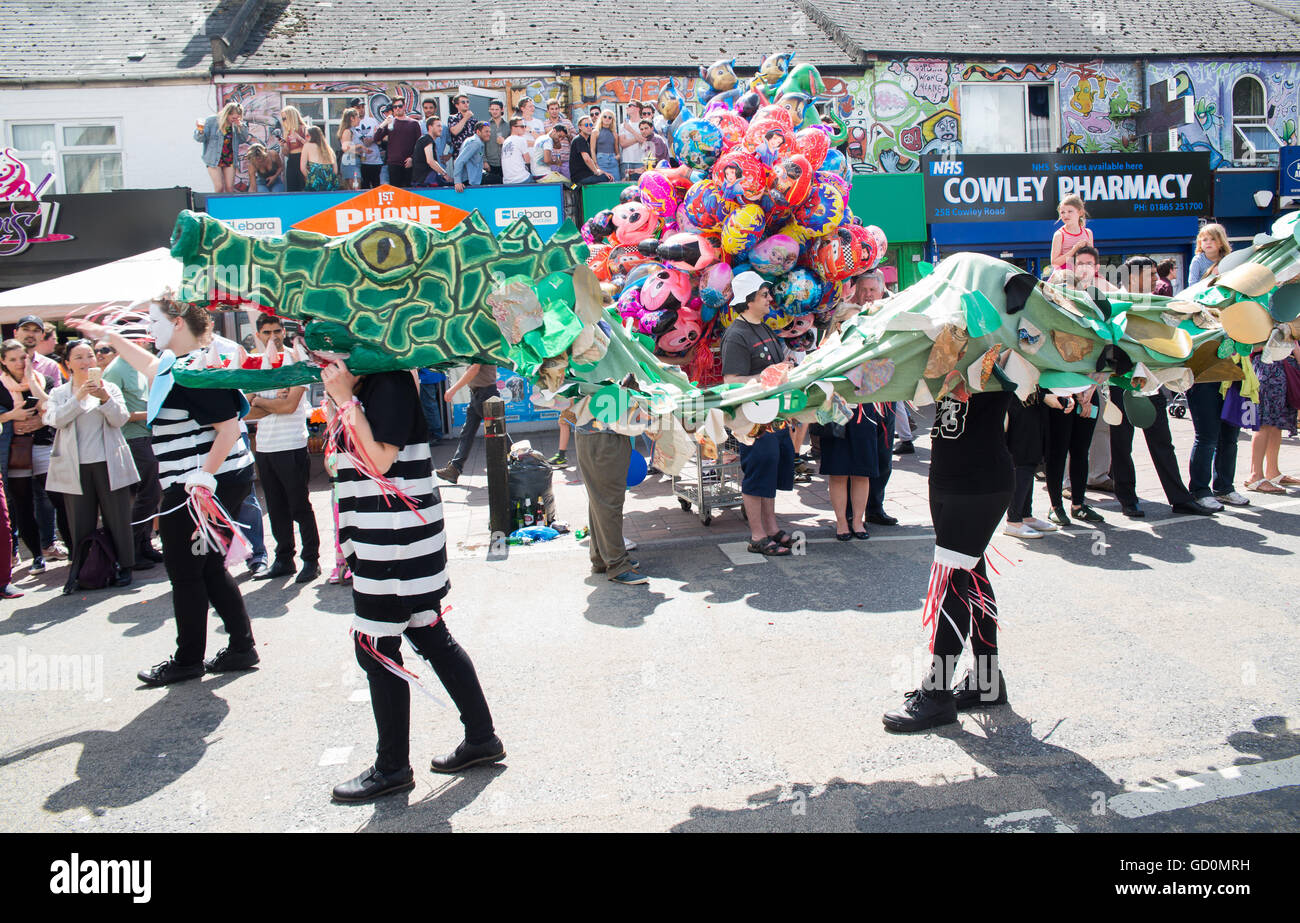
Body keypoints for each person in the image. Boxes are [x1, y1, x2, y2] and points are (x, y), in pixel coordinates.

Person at [320, 361, 504, 802]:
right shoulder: (367, 381)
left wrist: (345, 398)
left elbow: (381, 458)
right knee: (429, 632)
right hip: (388, 536)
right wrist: (340, 398)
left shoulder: (388, 380)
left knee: (377, 648)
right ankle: (481, 738)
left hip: (396, 540)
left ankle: (392, 768)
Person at [69, 296, 259, 687]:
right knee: (204, 567)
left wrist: (203, 480)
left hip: (197, 486)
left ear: (176, 323)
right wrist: (110, 336)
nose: (148, 329)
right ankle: (240, 647)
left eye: (153, 321)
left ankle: (189, 659)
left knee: (186, 572)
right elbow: (152, 367)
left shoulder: (197, 369)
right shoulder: (179, 364)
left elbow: (229, 429)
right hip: (202, 482)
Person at [883, 388, 1014, 732]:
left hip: (978, 483)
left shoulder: (996, 345)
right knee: (973, 577)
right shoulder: (946, 344)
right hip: (946, 478)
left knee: (954, 581)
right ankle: (987, 682)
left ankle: (937, 694)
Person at [43, 340, 138, 592]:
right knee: (80, 521)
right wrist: (79, 396)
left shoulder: (110, 387)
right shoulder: (59, 393)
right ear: (68, 364)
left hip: (108, 461)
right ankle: (84, 569)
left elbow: (120, 419)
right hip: (75, 465)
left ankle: (125, 566)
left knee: (117, 516)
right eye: (79, 357)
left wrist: (105, 398)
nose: (86, 362)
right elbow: (56, 420)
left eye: (90, 356)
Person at [721, 272, 795, 557]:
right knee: (757, 474)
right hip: (752, 419)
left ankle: (772, 527)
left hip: (775, 415)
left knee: (772, 472)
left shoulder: (765, 328)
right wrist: (764, 377)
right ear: (748, 300)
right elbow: (731, 380)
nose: (769, 299)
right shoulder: (736, 334)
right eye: (764, 295)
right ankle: (757, 535)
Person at [244, 315, 320, 584]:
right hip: (264, 447)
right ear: (259, 334)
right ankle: (284, 558)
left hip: (292, 445)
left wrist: (261, 400)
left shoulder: (296, 361)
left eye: (278, 330)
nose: (273, 336)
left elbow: (289, 407)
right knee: (276, 508)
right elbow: (245, 411)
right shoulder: (255, 364)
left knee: (299, 506)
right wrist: (270, 401)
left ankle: (311, 560)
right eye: (267, 331)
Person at [1, 339, 66, 574]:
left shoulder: (43, 380)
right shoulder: (0, 385)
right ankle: (37, 556)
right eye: (13, 359)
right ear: (3, 361)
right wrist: (11, 416)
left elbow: (53, 407)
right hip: (16, 450)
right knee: (22, 504)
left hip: (42, 444)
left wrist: (38, 419)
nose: (19, 363)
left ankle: (66, 546)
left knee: (57, 497)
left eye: (22, 358)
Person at [98, 338, 163, 568]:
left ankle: (144, 544)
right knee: (147, 494)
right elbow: (111, 411)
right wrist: (149, 413)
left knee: (151, 494)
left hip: (145, 435)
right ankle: (132, 549)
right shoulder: (115, 370)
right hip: (131, 438)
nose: (145, 343)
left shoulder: (137, 366)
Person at [1043, 387, 1103, 526]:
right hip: (1061, 391)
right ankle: (1055, 507)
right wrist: (1080, 395)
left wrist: (1088, 394)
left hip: (1089, 394)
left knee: (1081, 451)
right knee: (1058, 452)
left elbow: (1100, 369)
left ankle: (1078, 505)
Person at [1003, 389, 1059, 539]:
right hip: (1019, 404)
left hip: (1033, 404)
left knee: (1032, 460)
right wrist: (1043, 396)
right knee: (1023, 461)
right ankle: (1013, 520)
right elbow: (1013, 379)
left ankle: (1025, 515)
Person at [1245, 343, 1300, 494]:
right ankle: (1255, 476)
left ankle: (1273, 472)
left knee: (1277, 424)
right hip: (1269, 366)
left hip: (1283, 366)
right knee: (1265, 423)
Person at [435, 361, 500, 484]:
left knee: (498, 432)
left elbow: (474, 369)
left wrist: (453, 389)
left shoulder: (482, 343)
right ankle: (454, 468)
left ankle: (523, 458)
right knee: (467, 433)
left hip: (485, 394)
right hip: (478, 394)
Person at [194, 102, 248, 194]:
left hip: (229, 159)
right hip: (214, 159)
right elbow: (199, 139)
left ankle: (228, 207)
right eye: (233, 118)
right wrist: (200, 130)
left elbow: (243, 139)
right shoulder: (212, 121)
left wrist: (241, 126)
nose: (234, 120)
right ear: (227, 114)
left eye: (238, 118)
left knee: (229, 188)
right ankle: (217, 207)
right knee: (219, 187)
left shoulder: (236, 125)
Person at [374, 100, 420, 188]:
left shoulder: (414, 123)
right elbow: (376, 138)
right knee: (396, 194)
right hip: (393, 164)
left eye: (400, 106)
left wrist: (412, 158)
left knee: (410, 194)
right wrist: (384, 123)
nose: (398, 108)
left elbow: (419, 145)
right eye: (395, 107)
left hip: (408, 164)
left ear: (404, 106)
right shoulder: (390, 123)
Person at [14, 314, 63, 386]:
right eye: (26, 329)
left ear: (42, 336)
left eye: (36, 330)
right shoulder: (3, 364)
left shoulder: (50, 366)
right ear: (15, 333)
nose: (31, 334)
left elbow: (56, 396)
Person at [1050, 194, 1094, 271]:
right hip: (1064, 274)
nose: (1066, 215)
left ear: (1080, 212)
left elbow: (1092, 260)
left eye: (1070, 211)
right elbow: (1054, 263)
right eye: (1063, 212)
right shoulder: (1059, 235)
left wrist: (1089, 250)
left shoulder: (1088, 233)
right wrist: (1074, 250)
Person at [349, 97, 383, 189]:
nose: (361, 109)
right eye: (358, 107)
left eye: (362, 107)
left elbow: (380, 138)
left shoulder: (372, 121)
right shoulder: (350, 125)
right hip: (361, 162)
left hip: (375, 161)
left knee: (377, 189)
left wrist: (373, 139)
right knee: (364, 190)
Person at [570, 117, 614, 185]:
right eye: (586, 125)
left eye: (590, 125)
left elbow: (591, 161)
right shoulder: (579, 139)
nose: (589, 127)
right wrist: (597, 172)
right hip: (579, 179)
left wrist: (603, 172)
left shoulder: (586, 140)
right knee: (606, 178)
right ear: (580, 127)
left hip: (585, 176)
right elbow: (587, 159)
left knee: (606, 176)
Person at [278, 106, 310, 192]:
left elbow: (311, 146)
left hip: (303, 158)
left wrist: (299, 138)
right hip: (292, 160)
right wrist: (283, 145)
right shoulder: (287, 132)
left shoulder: (304, 128)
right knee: (292, 188)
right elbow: (286, 153)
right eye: (282, 119)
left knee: (304, 186)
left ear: (291, 117)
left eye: (284, 118)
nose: (283, 121)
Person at [412, 116, 451, 187]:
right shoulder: (427, 140)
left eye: (441, 126)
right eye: (438, 126)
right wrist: (445, 175)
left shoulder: (426, 139)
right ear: (430, 127)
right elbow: (430, 161)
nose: (441, 129)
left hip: (424, 180)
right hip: (425, 181)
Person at [453, 122, 491, 192]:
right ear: (478, 132)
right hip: (468, 182)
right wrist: (457, 181)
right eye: (486, 131)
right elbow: (459, 161)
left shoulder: (475, 141)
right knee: (499, 180)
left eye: (489, 131)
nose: (489, 134)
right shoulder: (475, 143)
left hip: (473, 180)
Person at [445, 95, 482, 165]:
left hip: (473, 156)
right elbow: (455, 131)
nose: (466, 104)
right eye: (463, 102)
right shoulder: (453, 118)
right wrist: (465, 118)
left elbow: (479, 139)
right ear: (457, 105)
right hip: (459, 156)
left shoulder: (474, 120)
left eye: (467, 102)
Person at [301, 125, 339, 191]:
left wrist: (310, 178)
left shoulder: (307, 146)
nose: (305, 138)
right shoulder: (329, 149)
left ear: (313, 136)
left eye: (307, 136)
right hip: (329, 183)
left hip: (315, 182)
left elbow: (302, 168)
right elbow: (335, 171)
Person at [542, 100, 573, 179]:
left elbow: (574, 139)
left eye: (556, 108)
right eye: (552, 109)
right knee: (554, 184)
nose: (554, 111)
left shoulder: (567, 122)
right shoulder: (544, 124)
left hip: (565, 160)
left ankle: (573, 191)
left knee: (570, 184)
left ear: (559, 109)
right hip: (552, 162)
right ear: (548, 110)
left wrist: (567, 134)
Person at [500, 118, 533, 185]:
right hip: (521, 179)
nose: (524, 128)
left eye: (524, 126)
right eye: (522, 126)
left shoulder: (506, 141)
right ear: (513, 127)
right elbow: (528, 160)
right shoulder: (521, 140)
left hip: (507, 181)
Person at [481, 100, 507, 185]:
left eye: (497, 109)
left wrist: (504, 142)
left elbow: (512, 144)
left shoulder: (508, 126)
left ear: (502, 110)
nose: (494, 111)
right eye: (492, 109)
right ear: (489, 110)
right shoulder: (485, 125)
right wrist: (484, 161)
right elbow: (481, 145)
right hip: (490, 163)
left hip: (505, 162)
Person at [337, 108, 363, 190]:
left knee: (356, 187)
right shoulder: (347, 131)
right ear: (352, 118)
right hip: (349, 162)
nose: (359, 119)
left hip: (355, 161)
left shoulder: (354, 131)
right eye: (358, 117)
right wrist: (359, 146)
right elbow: (345, 148)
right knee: (355, 188)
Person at [593, 110, 622, 181]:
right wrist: (595, 165)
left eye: (610, 117)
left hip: (613, 161)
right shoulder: (595, 132)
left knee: (616, 182)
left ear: (612, 120)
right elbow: (592, 149)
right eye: (605, 116)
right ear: (601, 118)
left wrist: (617, 157)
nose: (607, 119)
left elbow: (617, 149)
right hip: (601, 161)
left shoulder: (614, 133)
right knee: (602, 184)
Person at [619, 106, 645, 179]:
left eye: (630, 105)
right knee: (625, 184)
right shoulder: (623, 125)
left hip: (641, 160)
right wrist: (638, 138)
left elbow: (644, 140)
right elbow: (623, 143)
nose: (627, 107)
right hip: (626, 160)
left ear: (638, 108)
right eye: (627, 106)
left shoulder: (644, 124)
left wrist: (630, 130)